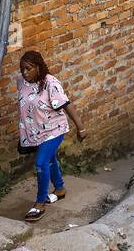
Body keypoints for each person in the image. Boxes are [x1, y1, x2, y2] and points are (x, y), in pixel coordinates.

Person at [16, 51, 86, 223]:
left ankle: (40, 202)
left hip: (54, 130)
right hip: (35, 133)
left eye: (29, 68)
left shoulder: (50, 83)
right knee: (50, 159)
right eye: (22, 69)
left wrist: (81, 127)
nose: (25, 73)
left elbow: (66, 104)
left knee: (41, 163)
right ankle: (60, 189)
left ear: (38, 67)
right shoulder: (21, 81)